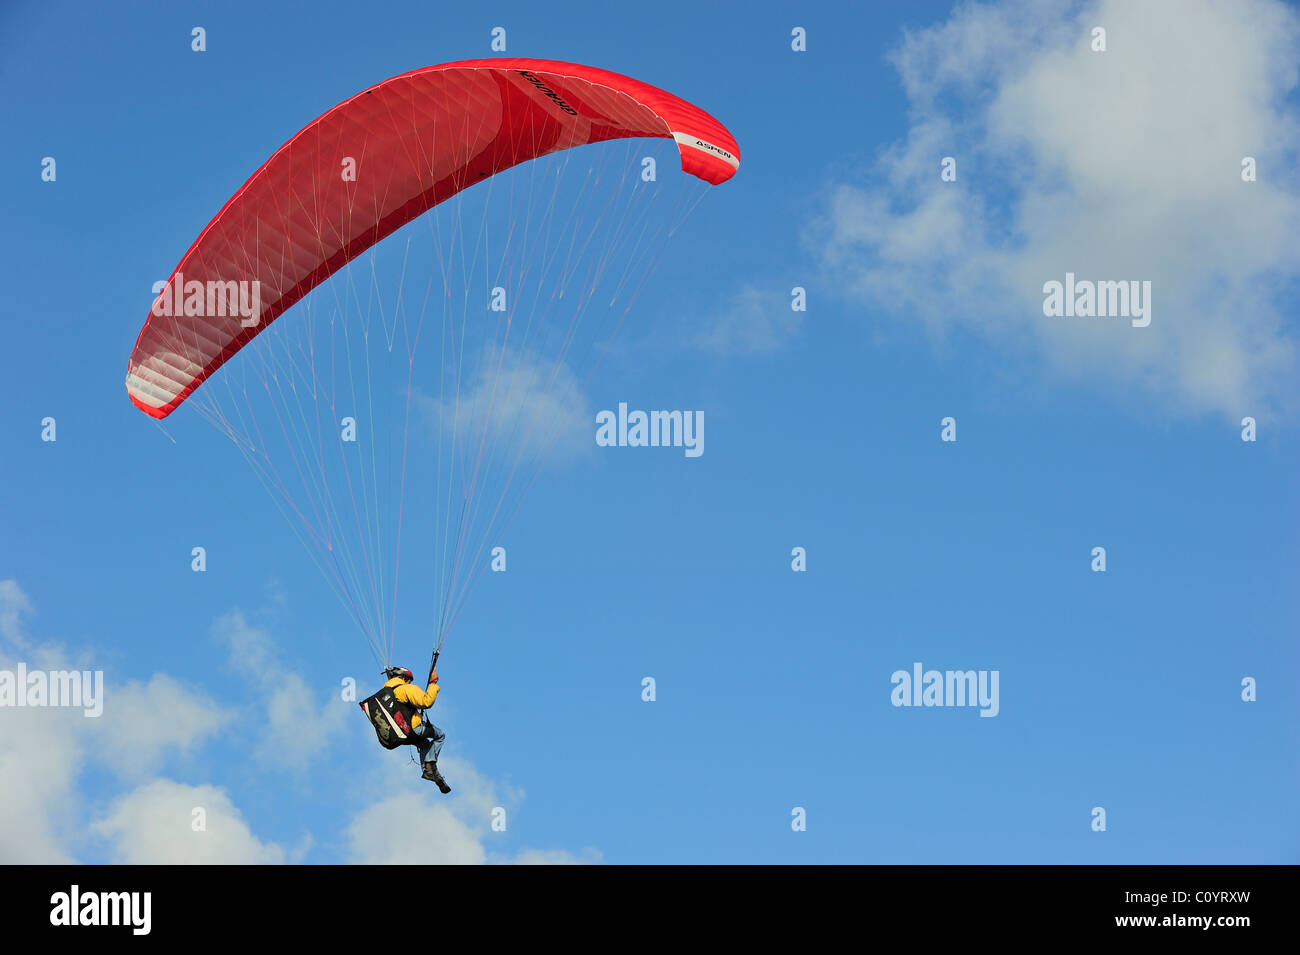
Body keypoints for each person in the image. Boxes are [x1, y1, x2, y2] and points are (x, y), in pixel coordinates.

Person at [381, 665, 450, 793]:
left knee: (424, 743)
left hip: (398, 735)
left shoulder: (385, 693)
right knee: (440, 735)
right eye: (409, 680)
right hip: (413, 729)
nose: (410, 683)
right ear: (403, 678)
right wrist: (433, 684)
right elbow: (426, 702)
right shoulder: (406, 689)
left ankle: (429, 772)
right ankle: (429, 765)